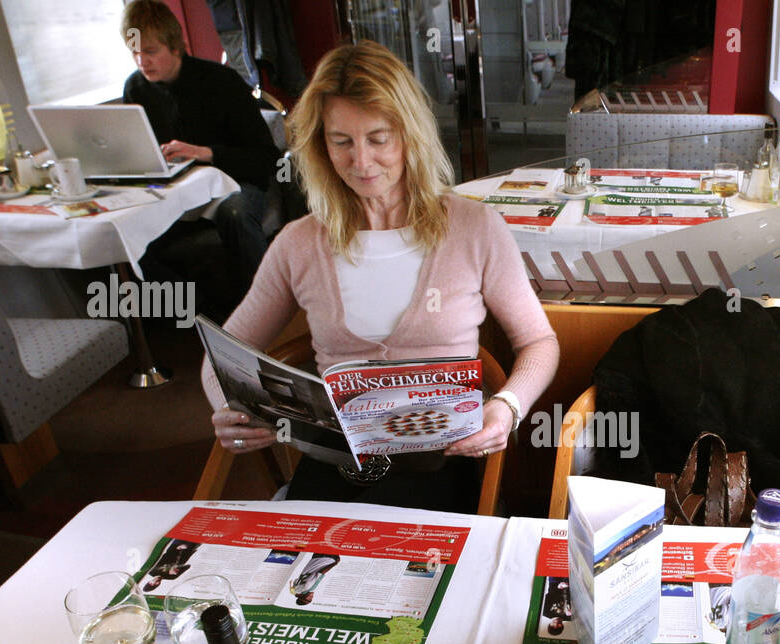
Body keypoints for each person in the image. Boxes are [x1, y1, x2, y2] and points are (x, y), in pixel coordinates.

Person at [203, 41, 559, 510]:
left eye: (378, 138)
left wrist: (509, 406)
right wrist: (229, 407)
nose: (362, 162)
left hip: (440, 461)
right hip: (337, 461)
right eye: (341, 142)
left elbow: (539, 342)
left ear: (409, 135)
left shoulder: (474, 228)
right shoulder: (298, 242)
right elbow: (221, 359)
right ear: (320, 144)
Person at [120, 1, 281, 299]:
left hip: (235, 182)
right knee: (127, 236)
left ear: (176, 46)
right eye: (135, 52)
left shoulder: (222, 82)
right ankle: (199, 312)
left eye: (151, 51)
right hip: (176, 193)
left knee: (235, 213)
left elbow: (265, 160)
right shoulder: (135, 89)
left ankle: (263, 306)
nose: (142, 61)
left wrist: (205, 153)